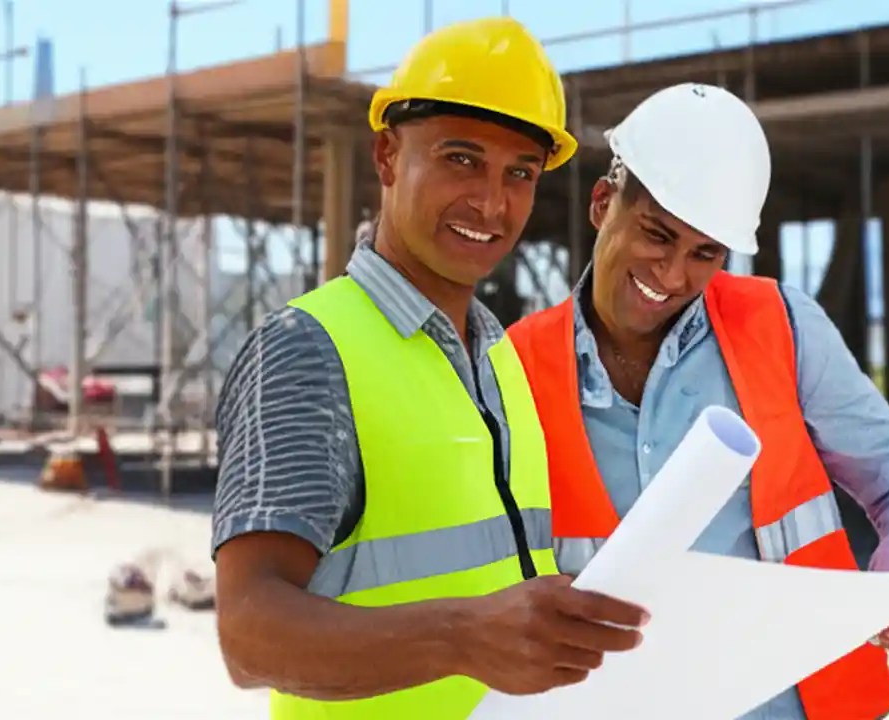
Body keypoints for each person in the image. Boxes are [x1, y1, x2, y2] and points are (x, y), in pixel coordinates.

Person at [210, 17, 649, 719]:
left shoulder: (498, 357)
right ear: (386, 157)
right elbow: (249, 637)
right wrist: (464, 636)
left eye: (520, 174)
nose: (491, 203)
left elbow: (496, 573)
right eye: (461, 159)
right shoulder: (307, 348)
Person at [506, 82, 889, 719]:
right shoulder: (513, 369)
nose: (672, 275)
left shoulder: (784, 325)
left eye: (705, 254)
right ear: (602, 202)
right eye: (656, 234)